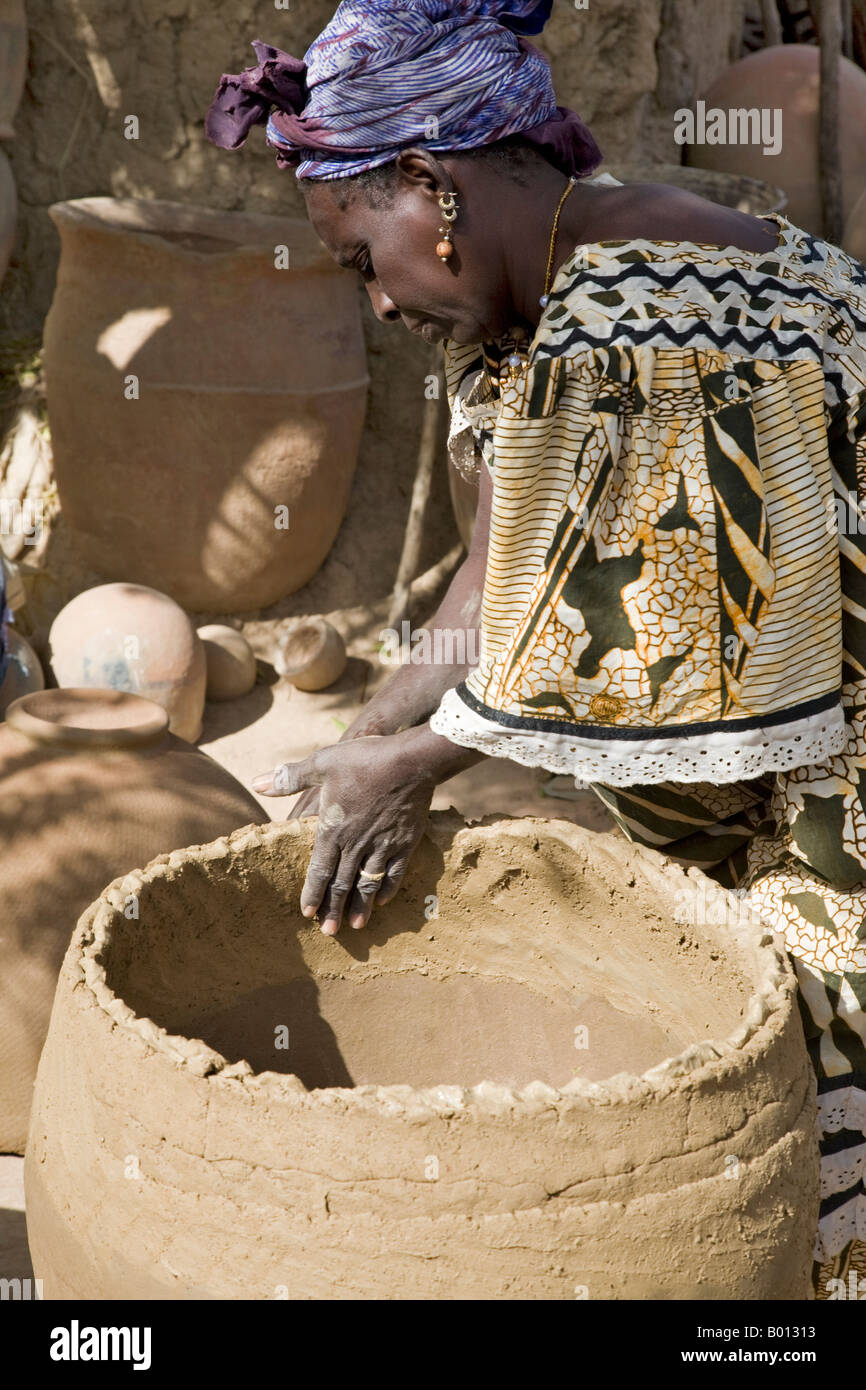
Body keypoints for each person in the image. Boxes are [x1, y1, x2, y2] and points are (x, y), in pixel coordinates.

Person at [208, 0, 866, 1291]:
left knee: (792, 1143)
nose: (379, 304)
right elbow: (509, 580)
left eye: (359, 258)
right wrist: (371, 731)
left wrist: (419, 773)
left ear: (425, 185)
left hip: (838, 807)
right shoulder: (541, 302)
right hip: (772, 791)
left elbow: (648, 641)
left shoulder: (648, 319)